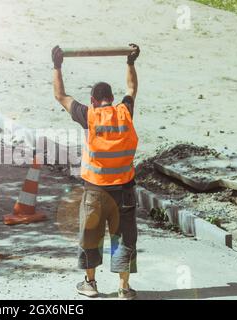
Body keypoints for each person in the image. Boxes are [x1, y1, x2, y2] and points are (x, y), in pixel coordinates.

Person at [51, 44, 140, 300]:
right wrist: (130, 62)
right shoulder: (125, 112)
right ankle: (124, 288)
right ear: (111, 98)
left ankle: (90, 284)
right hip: (124, 190)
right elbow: (132, 89)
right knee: (124, 238)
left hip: (96, 190)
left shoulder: (88, 116)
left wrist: (57, 65)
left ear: (93, 100)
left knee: (90, 235)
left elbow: (60, 96)